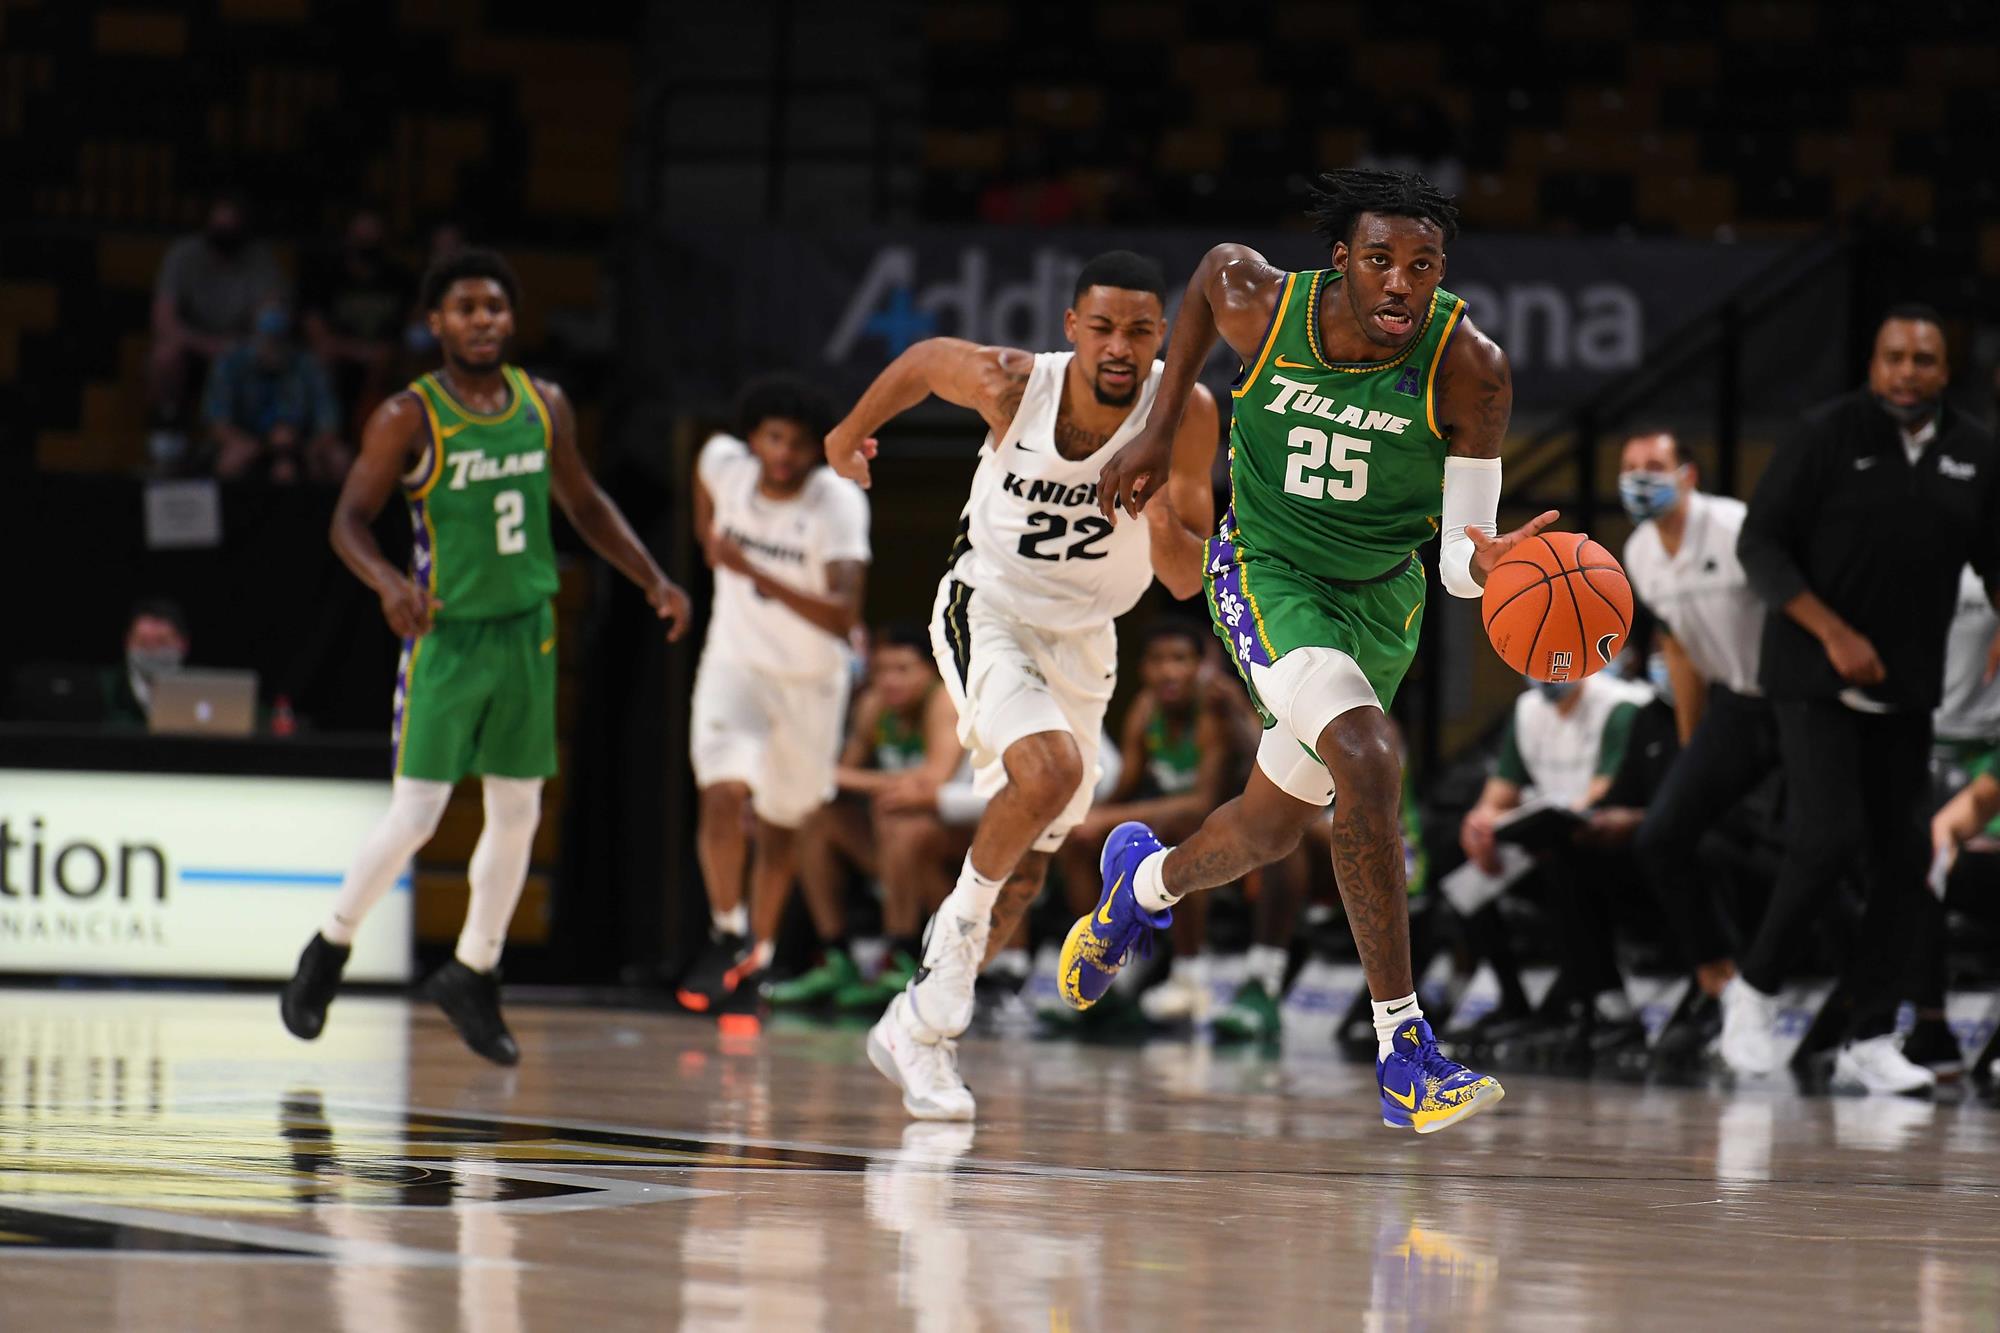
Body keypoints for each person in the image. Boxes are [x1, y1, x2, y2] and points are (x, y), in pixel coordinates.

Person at [1069, 168, 1558, 1135]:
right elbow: (1210, 273)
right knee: (1370, 754)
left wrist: (1490, 563)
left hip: (1382, 603)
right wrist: (1162, 434)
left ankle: (1142, 882)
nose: (1401, 286)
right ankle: (1403, 1046)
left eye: (1423, 267)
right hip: (1267, 572)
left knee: (1267, 828)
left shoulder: (1472, 369)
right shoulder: (1267, 304)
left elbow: (1462, 562)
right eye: (1381, 261)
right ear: (1342, 261)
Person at [828, 249, 1219, 1121]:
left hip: (1087, 640)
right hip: (989, 605)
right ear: (1072, 327)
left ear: (1162, 337)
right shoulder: (1015, 386)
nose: (1121, 346)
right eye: (1104, 326)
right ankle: (951, 955)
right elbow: (926, 360)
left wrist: (1154, 508)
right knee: (1051, 773)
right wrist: (846, 432)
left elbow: (1188, 580)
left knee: (1032, 873)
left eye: (1141, 330)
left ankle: (918, 1032)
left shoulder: (1184, 413)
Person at [279, 248, 691, 1064]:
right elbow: (348, 521)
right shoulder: (409, 413)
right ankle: (328, 947)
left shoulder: (545, 404)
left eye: (494, 307)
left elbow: (584, 501)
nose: (481, 320)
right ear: (436, 322)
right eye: (464, 307)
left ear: (511, 318)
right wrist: (388, 579)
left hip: (527, 629)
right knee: (418, 814)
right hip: (447, 633)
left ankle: (475, 968)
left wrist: (653, 577)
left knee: (518, 811)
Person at [1726, 304, 2000, 1095]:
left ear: (1945, 371)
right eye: (1893, 357)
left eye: (1923, 359)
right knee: (1829, 834)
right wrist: (1832, 631)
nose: (1907, 372)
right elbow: (1760, 543)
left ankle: (1873, 1034)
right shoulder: (1826, 434)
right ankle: (1756, 985)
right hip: (1813, 675)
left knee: (1908, 857)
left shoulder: (1976, 454)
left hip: (1905, 687)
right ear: (1873, 364)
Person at [678, 376, 871, 1013]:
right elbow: (703, 473)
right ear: (754, 437)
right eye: (773, 438)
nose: (784, 453)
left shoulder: (837, 503)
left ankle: (757, 954)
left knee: (782, 826)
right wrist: (710, 539)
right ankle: (725, 930)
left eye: (799, 443)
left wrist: (751, 569)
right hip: (735, 663)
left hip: (811, 684)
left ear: (819, 450)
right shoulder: (724, 464)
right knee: (722, 792)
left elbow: (844, 614)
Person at [1617, 429, 1772, 1063]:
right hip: (1733, 706)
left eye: (1654, 466)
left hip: (1793, 698)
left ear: (1687, 474)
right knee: (1663, 835)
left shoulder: (1734, 527)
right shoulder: (1637, 551)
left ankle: (1845, 1000)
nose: (1639, 479)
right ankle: (1720, 981)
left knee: (1812, 849)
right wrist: (1691, 746)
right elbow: (1678, 648)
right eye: (1629, 468)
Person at [1050, 620, 1252, 1029]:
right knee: (1078, 839)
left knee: (1186, 838)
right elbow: (1124, 787)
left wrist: (1105, 818)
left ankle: (1188, 973)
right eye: (1157, 660)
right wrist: (1080, 814)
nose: (1168, 671)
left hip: (1232, 834)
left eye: (1179, 659)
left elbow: (1202, 803)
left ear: (1203, 667)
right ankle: (1104, 958)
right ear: (1142, 668)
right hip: (1169, 822)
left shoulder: (1214, 710)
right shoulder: (1146, 708)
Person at [1457, 672, 1659, 1059]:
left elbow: (1603, 792)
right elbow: (1497, 796)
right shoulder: (1527, 709)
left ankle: (1606, 1006)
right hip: (1549, 837)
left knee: (1565, 867)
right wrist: (1480, 825)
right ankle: (1513, 1000)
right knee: (1462, 868)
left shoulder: (1620, 706)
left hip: (1613, 846)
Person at [771, 625, 964, 1011]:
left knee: (902, 819)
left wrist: (840, 776)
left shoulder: (944, 701)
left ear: (931, 670)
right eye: (882, 670)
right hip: (894, 844)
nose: (890, 681)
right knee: (817, 818)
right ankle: (836, 955)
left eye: (903, 669)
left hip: (956, 841)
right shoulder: (875, 706)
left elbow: (933, 780)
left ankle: (903, 955)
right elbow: (837, 782)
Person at [150, 190, 288, 438]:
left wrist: (242, 346)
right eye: (220, 223)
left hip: (241, 350)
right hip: (193, 347)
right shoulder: (183, 255)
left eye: (232, 225)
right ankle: (168, 429)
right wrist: (209, 345)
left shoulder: (261, 261)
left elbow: (270, 315)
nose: (225, 230)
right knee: (165, 356)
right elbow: (164, 322)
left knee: (271, 356)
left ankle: (255, 440)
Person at [203, 301, 350, 483]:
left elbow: (329, 422)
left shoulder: (309, 365)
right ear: (254, 336)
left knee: (338, 458)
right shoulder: (230, 364)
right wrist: (252, 444)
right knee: (231, 460)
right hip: (251, 440)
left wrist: (310, 448)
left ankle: (325, 510)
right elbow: (218, 422)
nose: (273, 347)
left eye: (280, 339)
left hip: (300, 442)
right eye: (268, 339)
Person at [302, 205, 417, 431]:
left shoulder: (401, 278)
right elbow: (318, 337)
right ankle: (327, 439)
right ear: (348, 233)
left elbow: (413, 329)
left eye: (373, 229)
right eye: (361, 230)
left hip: (386, 369)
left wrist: (383, 356)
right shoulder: (324, 276)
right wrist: (362, 353)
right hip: (338, 364)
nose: (367, 237)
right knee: (317, 365)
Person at [101, 599, 192, 729]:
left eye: (161, 642)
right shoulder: (105, 689)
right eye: (142, 642)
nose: (151, 651)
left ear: (183, 644)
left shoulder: (200, 693)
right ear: (127, 643)